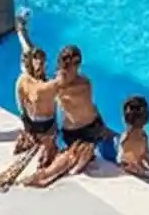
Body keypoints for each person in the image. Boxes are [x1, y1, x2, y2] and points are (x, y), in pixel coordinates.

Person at [24, 44, 112, 188]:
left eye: (76, 65)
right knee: (73, 156)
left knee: (79, 156)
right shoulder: (57, 85)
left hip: (95, 125)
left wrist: (102, 127)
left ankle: (48, 172)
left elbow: (90, 106)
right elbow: (38, 97)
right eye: (70, 66)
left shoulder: (84, 81)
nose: (73, 69)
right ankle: (44, 175)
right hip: (74, 132)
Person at [0, 12, 60, 192]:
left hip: (45, 122)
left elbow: (27, 48)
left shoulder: (39, 78)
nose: (43, 66)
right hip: (38, 123)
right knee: (46, 156)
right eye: (40, 64)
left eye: (44, 63)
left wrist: (21, 30)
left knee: (47, 152)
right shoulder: (26, 82)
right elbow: (21, 105)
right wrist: (28, 126)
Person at [117, 95, 149, 187]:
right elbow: (124, 163)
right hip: (130, 171)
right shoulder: (127, 140)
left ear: (124, 119)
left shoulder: (143, 135)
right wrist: (145, 173)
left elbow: (146, 153)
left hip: (137, 167)